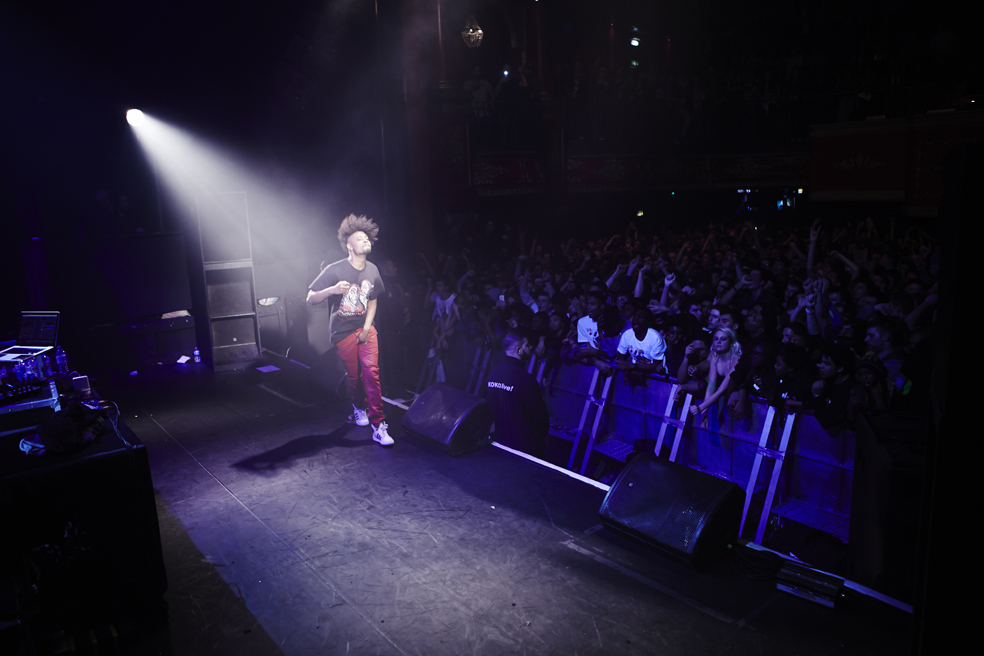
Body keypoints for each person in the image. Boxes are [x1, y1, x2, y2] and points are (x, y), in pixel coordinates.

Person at [306, 214, 394, 446]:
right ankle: (358, 407)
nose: (365, 240)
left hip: (366, 330)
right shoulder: (334, 270)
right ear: (349, 246)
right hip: (342, 332)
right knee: (355, 378)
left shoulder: (373, 269)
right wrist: (332, 290)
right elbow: (310, 298)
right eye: (359, 237)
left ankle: (379, 426)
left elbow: (373, 301)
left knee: (372, 373)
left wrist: (366, 328)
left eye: (367, 237)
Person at [486, 329, 550, 458]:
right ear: (519, 350)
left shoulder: (493, 373)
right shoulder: (525, 379)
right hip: (525, 450)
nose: (530, 348)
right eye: (527, 345)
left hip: (500, 445)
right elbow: (540, 419)